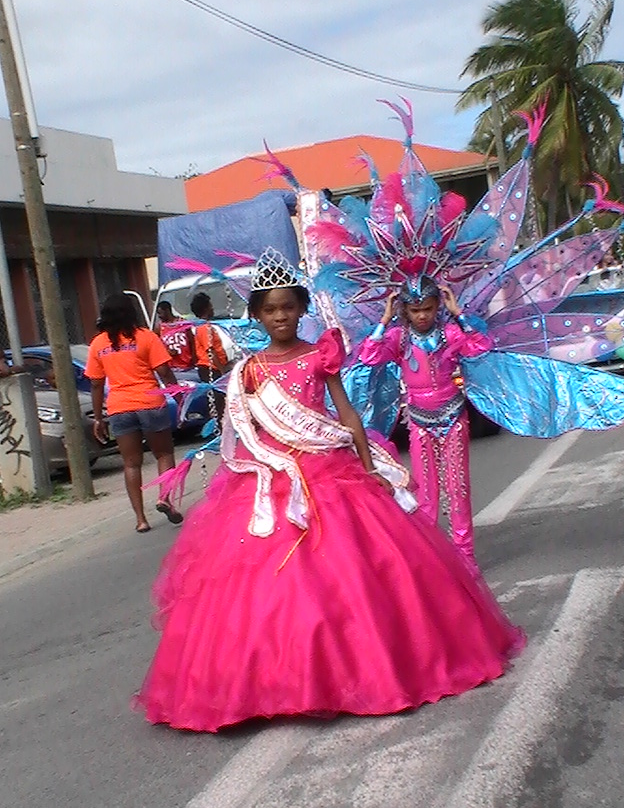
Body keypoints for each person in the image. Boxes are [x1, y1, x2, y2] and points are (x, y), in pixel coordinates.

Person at [133, 252, 524, 733]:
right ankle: (270, 685)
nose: (280, 316)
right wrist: (259, 467)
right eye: (270, 309)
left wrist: (369, 466)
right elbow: (247, 427)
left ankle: (369, 672)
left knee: (358, 572)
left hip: (331, 468)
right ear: (257, 314)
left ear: (301, 309)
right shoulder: (250, 370)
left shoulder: (321, 354)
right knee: (262, 585)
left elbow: (346, 413)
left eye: (288, 307)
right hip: (272, 476)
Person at [359, 275, 493, 575]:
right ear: (405, 310)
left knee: (458, 488)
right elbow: (368, 356)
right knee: (425, 492)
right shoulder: (398, 338)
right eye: (415, 310)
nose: (422, 316)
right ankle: (431, 556)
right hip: (419, 421)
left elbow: (480, 346)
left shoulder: (449, 334)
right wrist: (384, 319)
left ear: (437, 307)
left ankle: (465, 555)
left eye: (428, 309)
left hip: (453, 417)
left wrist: (458, 313)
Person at [85, 293, 183, 533]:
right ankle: (164, 498)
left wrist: (98, 418)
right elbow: (164, 372)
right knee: (163, 454)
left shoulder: (98, 344)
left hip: (119, 408)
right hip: (150, 403)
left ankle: (140, 519)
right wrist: (179, 395)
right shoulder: (146, 337)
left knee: (131, 464)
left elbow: (96, 384)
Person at [190, 291, 229, 421]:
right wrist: (222, 371)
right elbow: (210, 351)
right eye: (210, 305)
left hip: (210, 368)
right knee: (219, 403)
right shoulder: (204, 328)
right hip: (211, 369)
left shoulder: (202, 327)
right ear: (206, 308)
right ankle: (221, 430)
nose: (213, 308)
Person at [156, 301, 197, 374]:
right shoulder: (159, 327)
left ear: (167, 311)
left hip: (188, 367)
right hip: (172, 369)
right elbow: (156, 347)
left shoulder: (183, 323)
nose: (159, 316)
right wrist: (167, 352)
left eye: (160, 313)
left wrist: (194, 360)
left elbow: (192, 342)